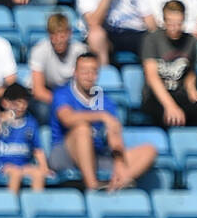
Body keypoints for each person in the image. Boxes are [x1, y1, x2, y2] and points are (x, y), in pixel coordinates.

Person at [49, 52, 157, 190]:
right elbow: (67, 118)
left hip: (96, 154)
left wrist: (119, 161)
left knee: (149, 150)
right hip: (65, 153)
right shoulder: (63, 93)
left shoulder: (105, 101)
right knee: (82, 129)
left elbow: (114, 131)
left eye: (93, 71)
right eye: (84, 71)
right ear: (75, 73)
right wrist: (101, 116)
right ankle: (92, 186)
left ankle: (118, 183)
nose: (89, 76)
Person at [140, 0, 197, 127]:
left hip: (180, 93)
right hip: (156, 96)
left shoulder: (190, 41)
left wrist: (192, 90)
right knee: (171, 119)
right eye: (171, 23)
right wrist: (170, 106)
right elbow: (152, 76)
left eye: (178, 23)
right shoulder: (152, 39)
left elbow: (190, 72)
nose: (174, 28)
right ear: (164, 21)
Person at [0, 82, 50, 193]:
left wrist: (44, 167)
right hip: (1, 166)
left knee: (38, 173)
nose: (21, 107)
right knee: (15, 173)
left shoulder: (31, 123)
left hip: (23, 164)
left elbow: (37, 149)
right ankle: (12, 204)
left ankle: (36, 206)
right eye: (17, 103)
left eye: (24, 103)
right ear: (5, 103)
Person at [29, 12, 87, 124]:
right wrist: (63, 103)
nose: (58, 40)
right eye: (53, 36)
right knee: (44, 111)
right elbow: (38, 90)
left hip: (71, 94)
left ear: (69, 33)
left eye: (62, 35)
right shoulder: (39, 50)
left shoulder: (80, 51)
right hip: (47, 94)